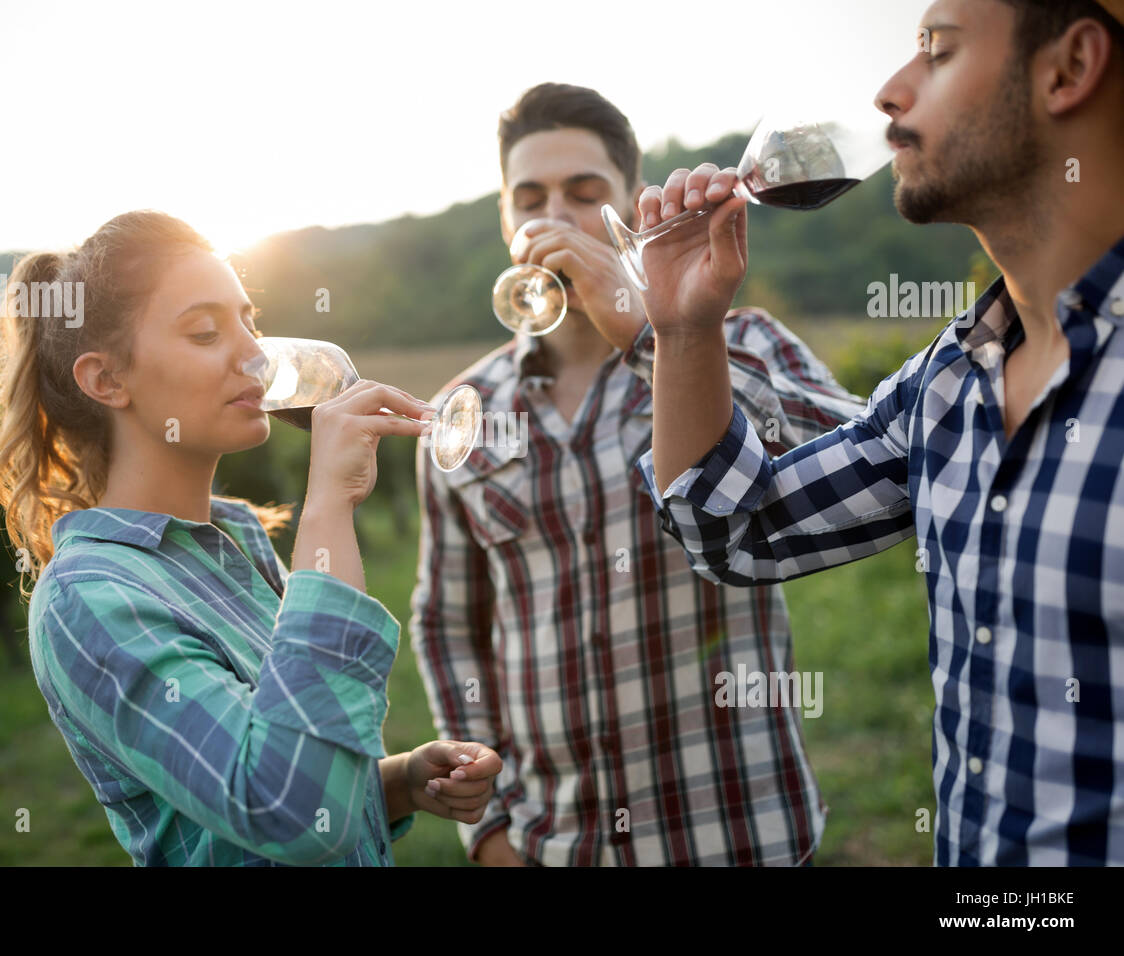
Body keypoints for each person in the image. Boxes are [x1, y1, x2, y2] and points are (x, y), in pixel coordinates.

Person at [629, 0, 1124, 865]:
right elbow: (735, 532)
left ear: (1068, 68)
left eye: (937, 53)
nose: (892, 92)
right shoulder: (948, 383)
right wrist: (685, 329)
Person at [409, 83, 866, 866]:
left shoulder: (735, 342)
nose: (554, 216)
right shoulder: (461, 410)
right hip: (554, 846)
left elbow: (868, 462)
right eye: (531, 197)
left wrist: (652, 330)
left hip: (738, 834)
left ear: (627, 207)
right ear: (505, 219)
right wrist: (487, 833)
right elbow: (448, 624)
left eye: (585, 194)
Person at [0, 209, 501, 866]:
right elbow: (288, 812)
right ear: (106, 380)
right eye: (204, 332)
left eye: (249, 322)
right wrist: (328, 508)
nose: (255, 355)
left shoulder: (234, 542)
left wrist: (396, 782)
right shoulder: (88, 598)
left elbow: (295, 759)